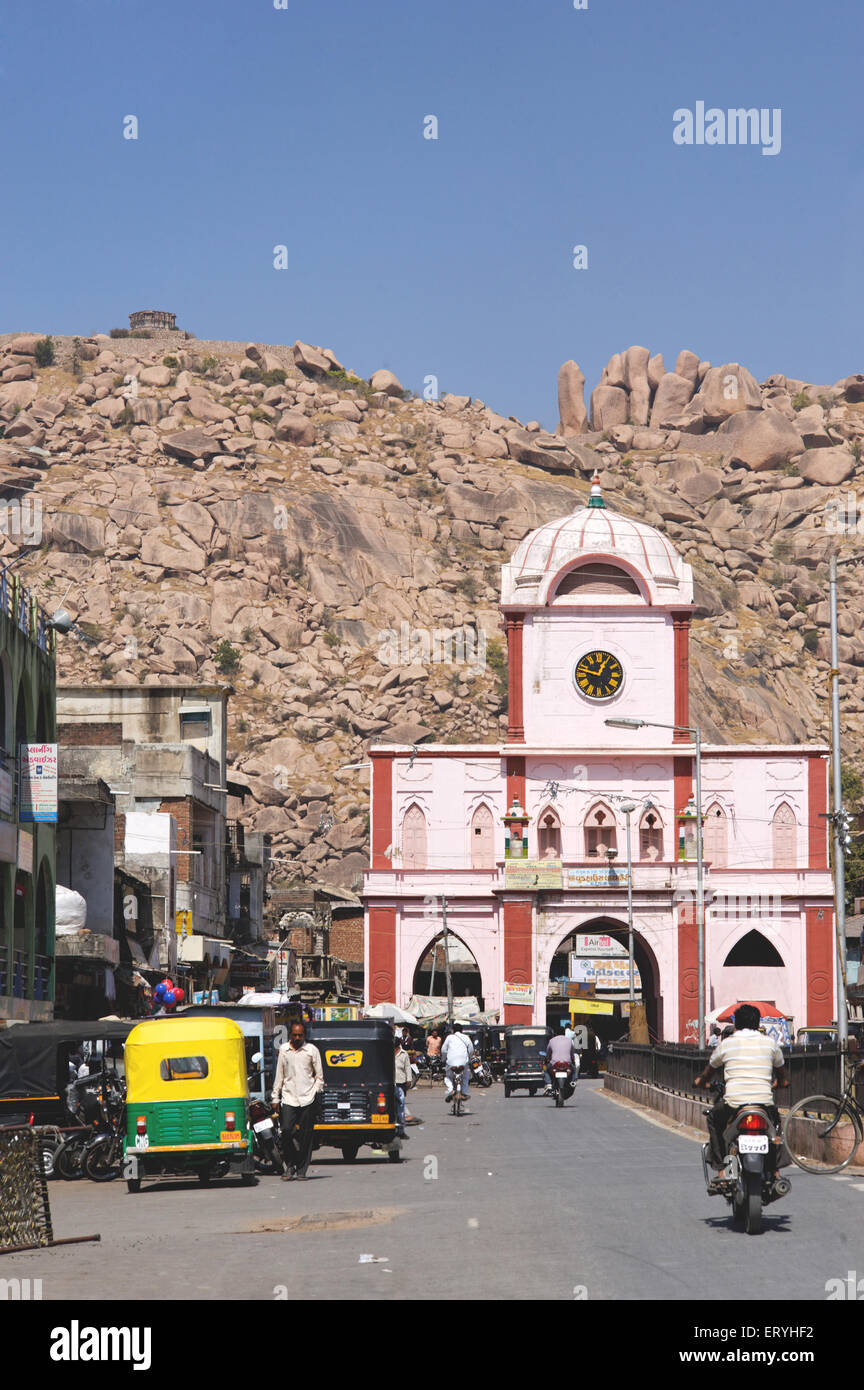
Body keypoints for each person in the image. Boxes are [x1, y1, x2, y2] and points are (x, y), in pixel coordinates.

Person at [694, 1003, 787, 1175]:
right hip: (763, 1103)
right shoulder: (770, 1044)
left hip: (734, 1103)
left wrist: (701, 1082)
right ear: (758, 1023)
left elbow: (709, 1070)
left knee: (714, 1119)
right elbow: (781, 1073)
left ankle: (721, 1169)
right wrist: (780, 1083)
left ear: (736, 1024)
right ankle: (775, 1170)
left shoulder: (727, 1044)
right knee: (775, 1126)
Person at [271, 1020, 324, 1180]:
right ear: (290, 1035)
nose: (297, 1037)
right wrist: (275, 1097)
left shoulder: (311, 1050)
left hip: (307, 1098)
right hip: (289, 1098)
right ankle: (290, 1165)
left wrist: (315, 1092)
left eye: (300, 1035)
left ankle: (301, 1170)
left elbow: (319, 1077)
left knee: (306, 1136)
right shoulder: (284, 1050)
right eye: (294, 1035)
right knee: (286, 1131)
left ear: (304, 1035)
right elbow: (279, 1075)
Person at [441, 1023, 473, 1101]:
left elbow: (444, 1050)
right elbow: (471, 1050)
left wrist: (443, 1059)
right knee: (465, 1075)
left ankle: (451, 1090)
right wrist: (469, 1058)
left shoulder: (449, 1037)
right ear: (462, 1030)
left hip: (451, 1063)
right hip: (463, 1063)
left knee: (448, 1077)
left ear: (452, 1030)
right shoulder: (466, 1037)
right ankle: (465, 1092)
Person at [544, 1027, 578, 1095]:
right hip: (567, 1063)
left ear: (555, 1033)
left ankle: (549, 1084)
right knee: (574, 1069)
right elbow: (572, 1053)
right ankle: (573, 1081)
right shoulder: (569, 1040)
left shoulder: (551, 1040)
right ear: (564, 1033)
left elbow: (548, 1053)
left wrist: (547, 1059)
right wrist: (572, 1061)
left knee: (546, 1070)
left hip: (554, 1063)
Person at [393, 1035, 413, 1139]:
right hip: (390, 1082)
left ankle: (402, 1130)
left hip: (401, 1081)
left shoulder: (404, 1054)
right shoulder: (386, 1052)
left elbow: (407, 1067)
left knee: (400, 1103)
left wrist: (409, 1080)